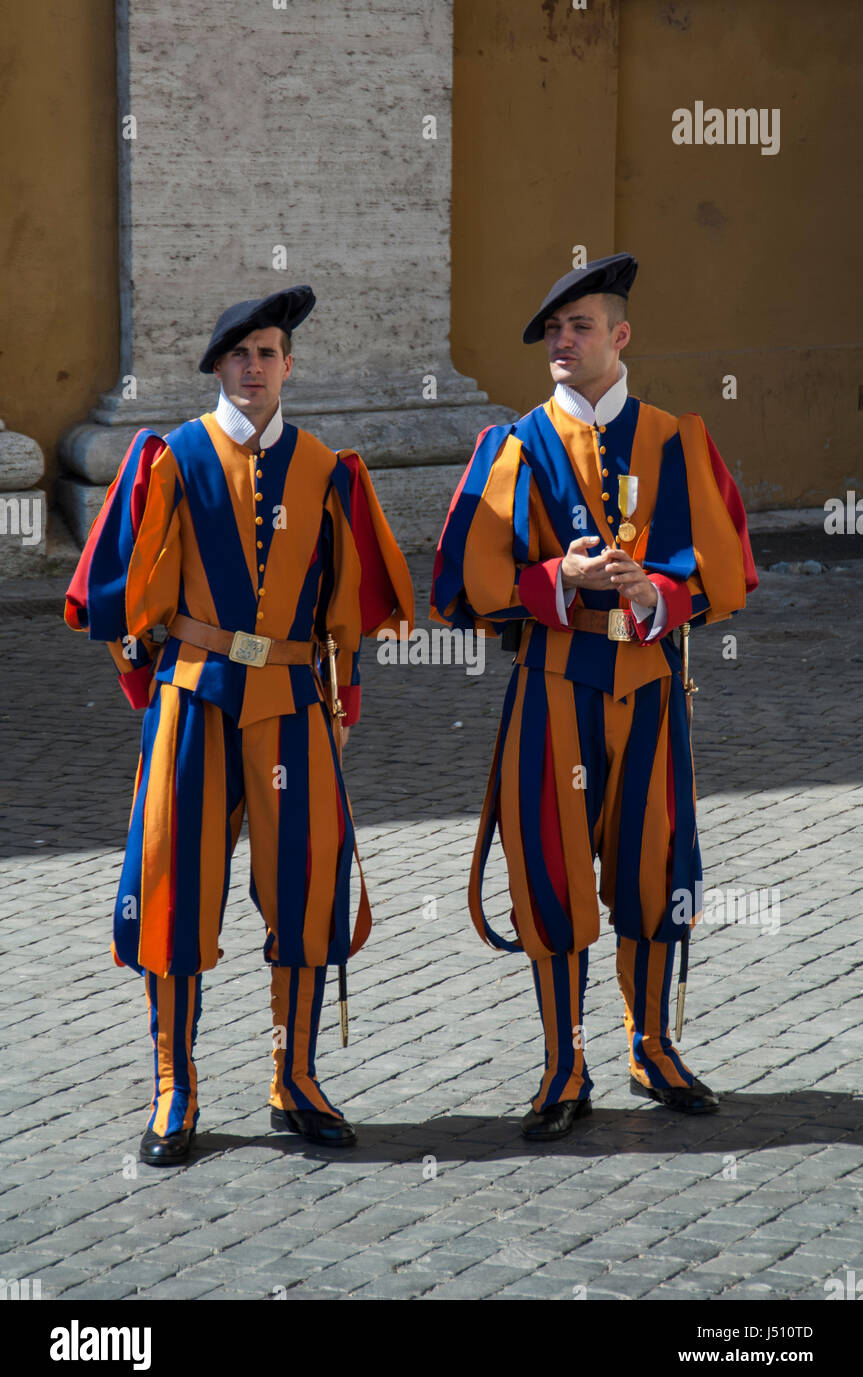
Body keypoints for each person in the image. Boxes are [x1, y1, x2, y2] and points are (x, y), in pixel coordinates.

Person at [66, 287, 414, 1162]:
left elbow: (346, 611)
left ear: (288, 365)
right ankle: (174, 1090)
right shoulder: (170, 458)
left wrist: (340, 706)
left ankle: (293, 1076)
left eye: (267, 353)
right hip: (196, 700)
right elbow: (119, 601)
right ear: (217, 367)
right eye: (238, 355)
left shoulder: (327, 469)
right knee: (175, 886)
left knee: (303, 887)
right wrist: (156, 696)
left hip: (294, 703)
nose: (253, 368)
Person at [431, 253, 758, 1139]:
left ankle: (650, 1045)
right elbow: (464, 580)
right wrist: (555, 578)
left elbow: (726, 570)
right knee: (550, 871)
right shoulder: (512, 446)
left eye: (579, 328)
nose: (561, 343)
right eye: (551, 333)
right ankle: (561, 1062)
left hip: (650, 684)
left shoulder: (676, 439)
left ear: (620, 336)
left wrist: (659, 595)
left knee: (656, 869)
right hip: (553, 687)